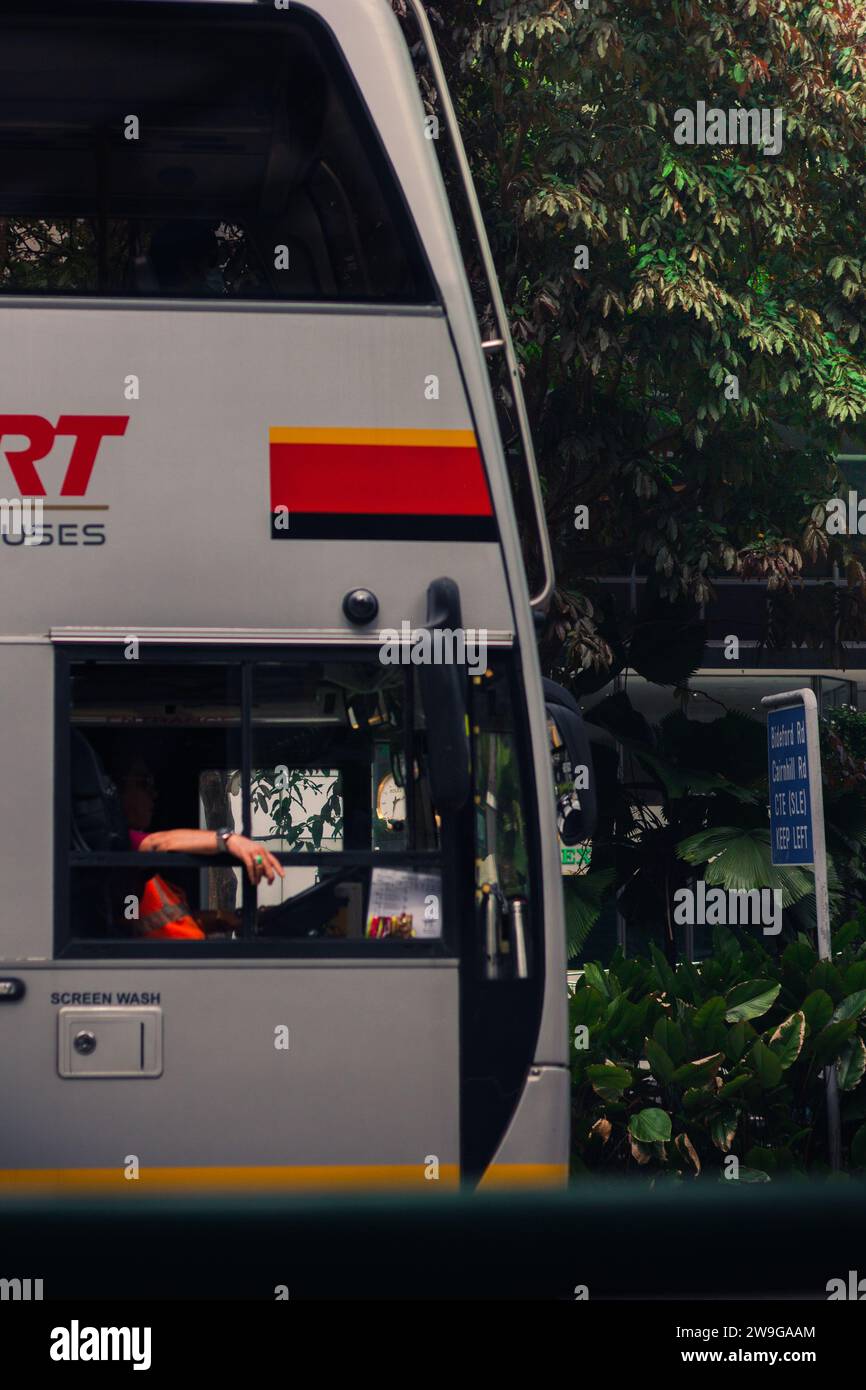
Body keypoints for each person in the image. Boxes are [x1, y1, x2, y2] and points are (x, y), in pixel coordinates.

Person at [116, 756, 284, 889]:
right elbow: (158, 842)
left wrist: (226, 918)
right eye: (144, 783)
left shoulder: (143, 874)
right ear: (116, 791)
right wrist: (229, 840)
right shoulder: (123, 842)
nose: (153, 794)